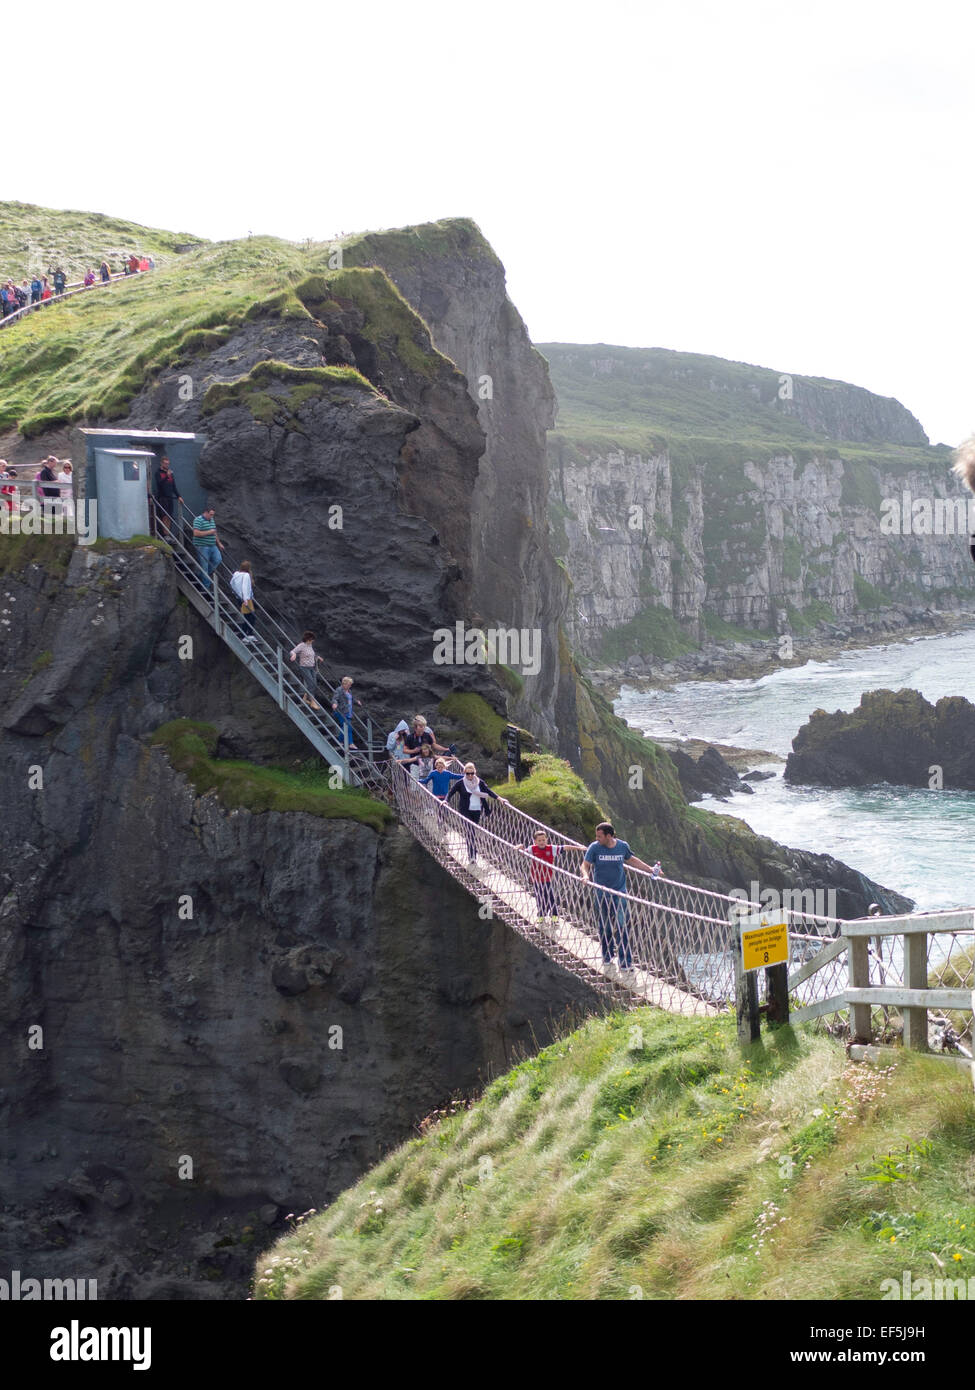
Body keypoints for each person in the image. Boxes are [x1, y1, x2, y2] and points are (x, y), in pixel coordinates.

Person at [580, 822, 659, 981]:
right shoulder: (594, 848)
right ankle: (607, 956)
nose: (597, 838)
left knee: (623, 927)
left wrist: (650, 870)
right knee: (605, 927)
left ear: (609, 836)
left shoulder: (622, 846)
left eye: (599, 836)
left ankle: (625, 962)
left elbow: (632, 860)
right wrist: (585, 876)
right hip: (601, 893)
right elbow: (585, 865)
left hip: (619, 893)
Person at [447, 762, 507, 864]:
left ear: (475, 772)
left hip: (477, 810)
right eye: (468, 773)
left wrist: (499, 798)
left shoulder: (480, 782)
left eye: (472, 773)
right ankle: (472, 856)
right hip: (465, 811)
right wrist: (445, 801)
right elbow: (450, 793)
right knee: (470, 832)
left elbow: (488, 791)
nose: (470, 775)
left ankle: (473, 853)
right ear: (464, 773)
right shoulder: (460, 783)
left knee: (473, 832)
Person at [522, 828, 566, 923]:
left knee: (550, 896)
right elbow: (523, 852)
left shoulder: (551, 848)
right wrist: (519, 846)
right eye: (539, 840)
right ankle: (541, 915)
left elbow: (564, 847)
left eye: (543, 840)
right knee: (539, 897)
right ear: (535, 841)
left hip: (547, 878)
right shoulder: (532, 849)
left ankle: (554, 916)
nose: (542, 842)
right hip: (536, 878)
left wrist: (579, 848)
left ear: (547, 839)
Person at [289, 631, 324, 710]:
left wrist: (317, 657)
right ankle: (312, 702)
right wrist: (294, 655)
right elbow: (292, 651)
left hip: (312, 667)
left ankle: (305, 697)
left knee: (314, 684)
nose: (313, 641)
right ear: (308, 639)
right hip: (304, 667)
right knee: (311, 684)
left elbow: (311, 654)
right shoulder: (302, 645)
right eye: (312, 639)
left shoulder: (310, 645)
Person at [192, 506, 224, 583]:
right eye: (210, 514)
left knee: (218, 559)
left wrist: (219, 543)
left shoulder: (211, 519)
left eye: (213, 515)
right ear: (205, 512)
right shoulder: (198, 520)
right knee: (204, 566)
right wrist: (209, 532)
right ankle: (206, 587)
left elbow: (214, 532)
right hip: (202, 546)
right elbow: (196, 533)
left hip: (212, 545)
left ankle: (201, 574)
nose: (212, 516)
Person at [229, 560, 257, 642]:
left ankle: (246, 634)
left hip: (239, 598)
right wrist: (245, 599)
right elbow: (245, 587)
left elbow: (231, 583)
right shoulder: (246, 575)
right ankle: (248, 634)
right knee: (251, 617)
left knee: (247, 616)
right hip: (246, 599)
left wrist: (235, 592)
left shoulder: (236, 574)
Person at [154, 457, 182, 535]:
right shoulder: (158, 473)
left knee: (169, 516)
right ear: (162, 463)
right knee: (164, 516)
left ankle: (168, 533)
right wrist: (166, 476)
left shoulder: (170, 474)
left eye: (168, 464)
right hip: (162, 497)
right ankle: (164, 533)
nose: (167, 465)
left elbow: (173, 486)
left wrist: (179, 496)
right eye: (165, 463)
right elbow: (159, 484)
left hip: (170, 498)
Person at [331, 676, 361, 749]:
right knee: (348, 727)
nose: (350, 686)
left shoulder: (349, 691)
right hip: (341, 711)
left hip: (348, 712)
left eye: (350, 684)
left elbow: (351, 699)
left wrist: (357, 702)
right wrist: (334, 703)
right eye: (349, 684)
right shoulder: (339, 690)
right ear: (344, 683)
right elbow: (335, 698)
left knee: (347, 727)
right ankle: (349, 743)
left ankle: (342, 742)